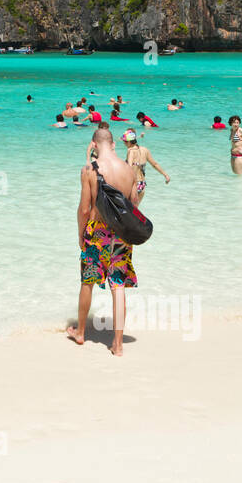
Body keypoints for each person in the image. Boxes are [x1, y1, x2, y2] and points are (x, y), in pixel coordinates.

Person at [69, 127, 139, 357]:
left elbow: (85, 208)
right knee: (118, 286)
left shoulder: (90, 169)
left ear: (94, 144)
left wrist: (81, 233)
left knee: (88, 280)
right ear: (114, 144)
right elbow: (134, 205)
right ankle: (117, 344)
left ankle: (80, 333)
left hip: (97, 231)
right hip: (121, 232)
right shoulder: (129, 170)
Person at [121, 129, 170, 203]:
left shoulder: (130, 151)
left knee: (126, 210)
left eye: (124, 141)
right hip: (142, 184)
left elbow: (129, 168)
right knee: (135, 211)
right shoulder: (145, 150)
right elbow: (154, 164)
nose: (124, 143)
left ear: (129, 142)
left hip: (133, 185)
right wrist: (165, 175)